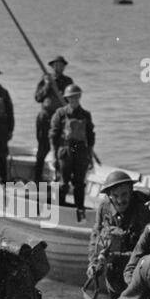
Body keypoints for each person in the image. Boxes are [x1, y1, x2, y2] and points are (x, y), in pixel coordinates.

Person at [88, 170, 150, 299]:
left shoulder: (143, 211)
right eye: (115, 196)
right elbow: (96, 235)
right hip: (114, 273)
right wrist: (93, 262)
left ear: (131, 191)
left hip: (136, 275)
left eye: (124, 194)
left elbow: (147, 246)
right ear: (109, 196)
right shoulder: (104, 208)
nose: (120, 200)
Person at [49, 84, 95, 220]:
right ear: (67, 99)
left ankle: (80, 212)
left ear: (79, 97)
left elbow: (90, 136)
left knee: (79, 183)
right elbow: (53, 135)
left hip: (81, 151)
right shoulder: (60, 113)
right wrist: (53, 155)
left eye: (75, 96)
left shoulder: (86, 115)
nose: (73, 99)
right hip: (65, 151)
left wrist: (90, 155)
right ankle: (59, 211)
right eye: (70, 97)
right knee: (63, 183)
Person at [32, 55, 72, 184]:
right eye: (56, 64)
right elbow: (38, 97)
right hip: (45, 118)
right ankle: (37, 180)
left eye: (61, 64)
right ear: (52, 66)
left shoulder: (68, 81)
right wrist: (48, 86)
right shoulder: (45, 79)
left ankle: (59, 180)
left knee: (60, 150)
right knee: (43, 149)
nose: (58, 67)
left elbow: (71, 101)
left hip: (60, 119)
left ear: (64, 67)